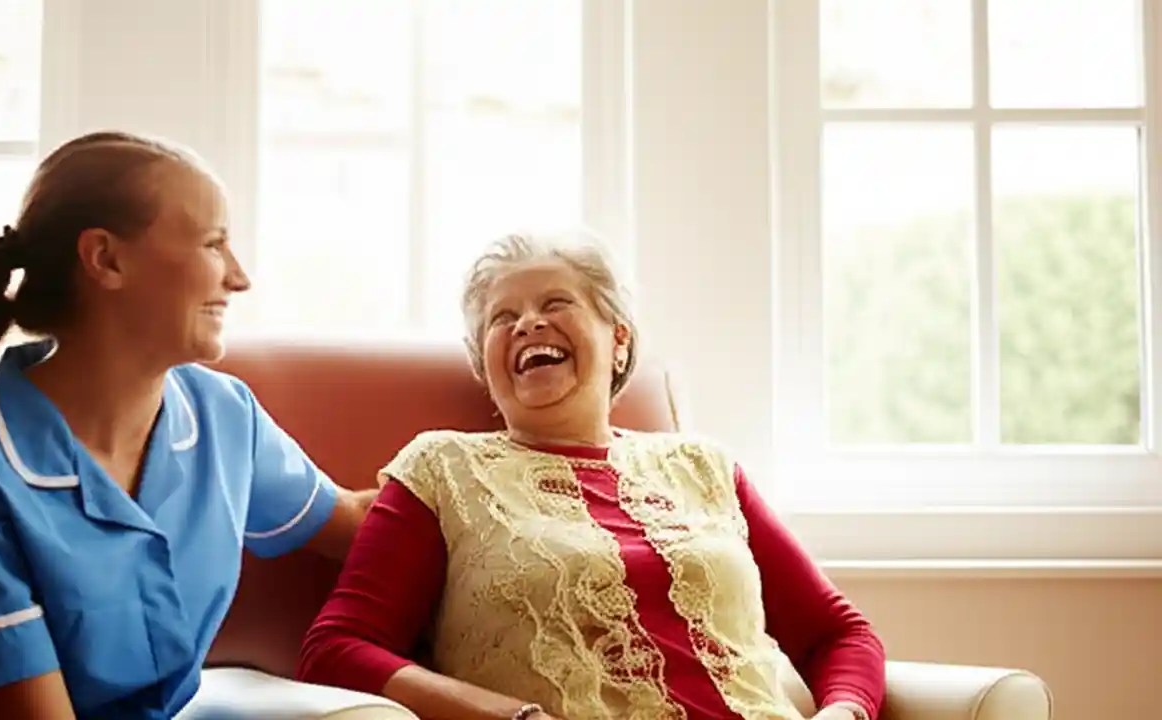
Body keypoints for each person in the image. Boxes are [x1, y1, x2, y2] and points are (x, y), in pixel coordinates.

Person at [0, 130, 377, 719]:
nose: (238, 277)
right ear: (106, 258)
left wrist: (490, 480)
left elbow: (355, 525)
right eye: (214, 244)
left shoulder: (222, 414)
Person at [297, 232, 886, 720]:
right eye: (503, 318)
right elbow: (335, 650)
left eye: (555, 304)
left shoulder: (705, 468)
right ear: (485, 365)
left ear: (619, 340)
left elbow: (838, 634)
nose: (528, 323)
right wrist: (506, 716)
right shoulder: (442, 469)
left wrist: (842, 714)